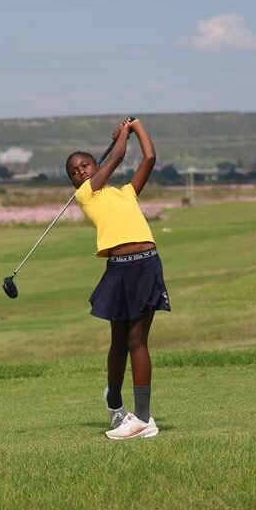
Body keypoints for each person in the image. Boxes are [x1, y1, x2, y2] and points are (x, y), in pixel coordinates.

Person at [65, 117, 170, 440]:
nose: (81, 171)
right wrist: (124, 134)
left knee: (137, 339)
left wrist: (137, 127)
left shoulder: (126, 193)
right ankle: (114, 401)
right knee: (119, 342)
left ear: (94, 164)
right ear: (75, 182)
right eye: (74, 171)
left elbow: (149, 157)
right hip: (119, 268)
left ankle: (142, 418)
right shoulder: (86, 195)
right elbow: (119, 156)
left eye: (85, 165)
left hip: (146, 264)